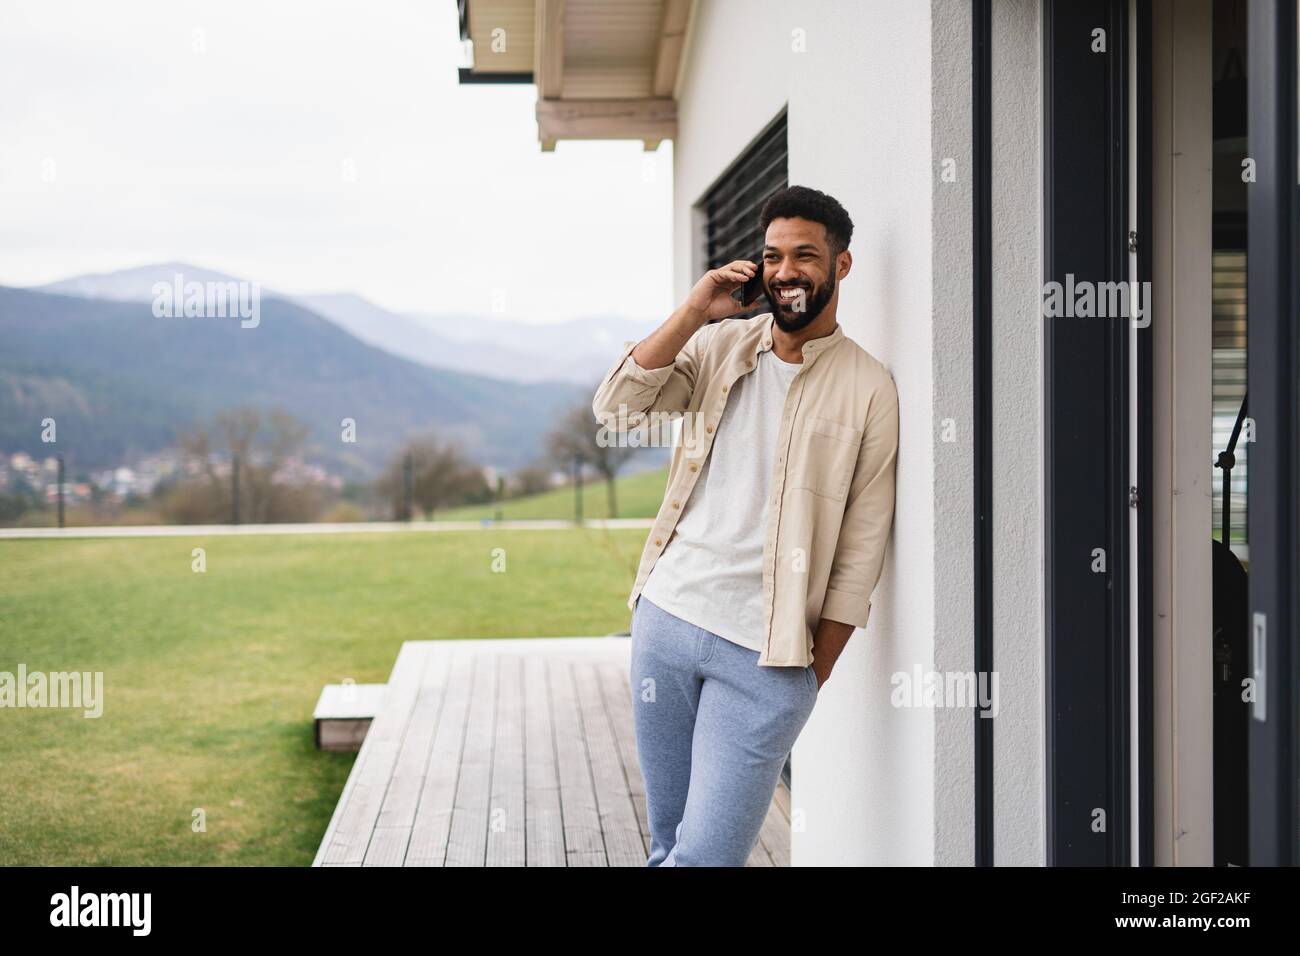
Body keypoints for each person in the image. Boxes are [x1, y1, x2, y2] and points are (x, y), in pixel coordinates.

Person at [591, 185, 899, 866]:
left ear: (840, 266)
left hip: (765, 659)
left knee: (704, 857)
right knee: (670, 843)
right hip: (667, 621)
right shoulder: (717, 348)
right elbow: (616, 409)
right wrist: (696, 310)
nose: (786, 270)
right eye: (773, 256)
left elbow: (861, 549)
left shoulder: (869, 387)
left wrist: (808, 676)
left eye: (805, 256)